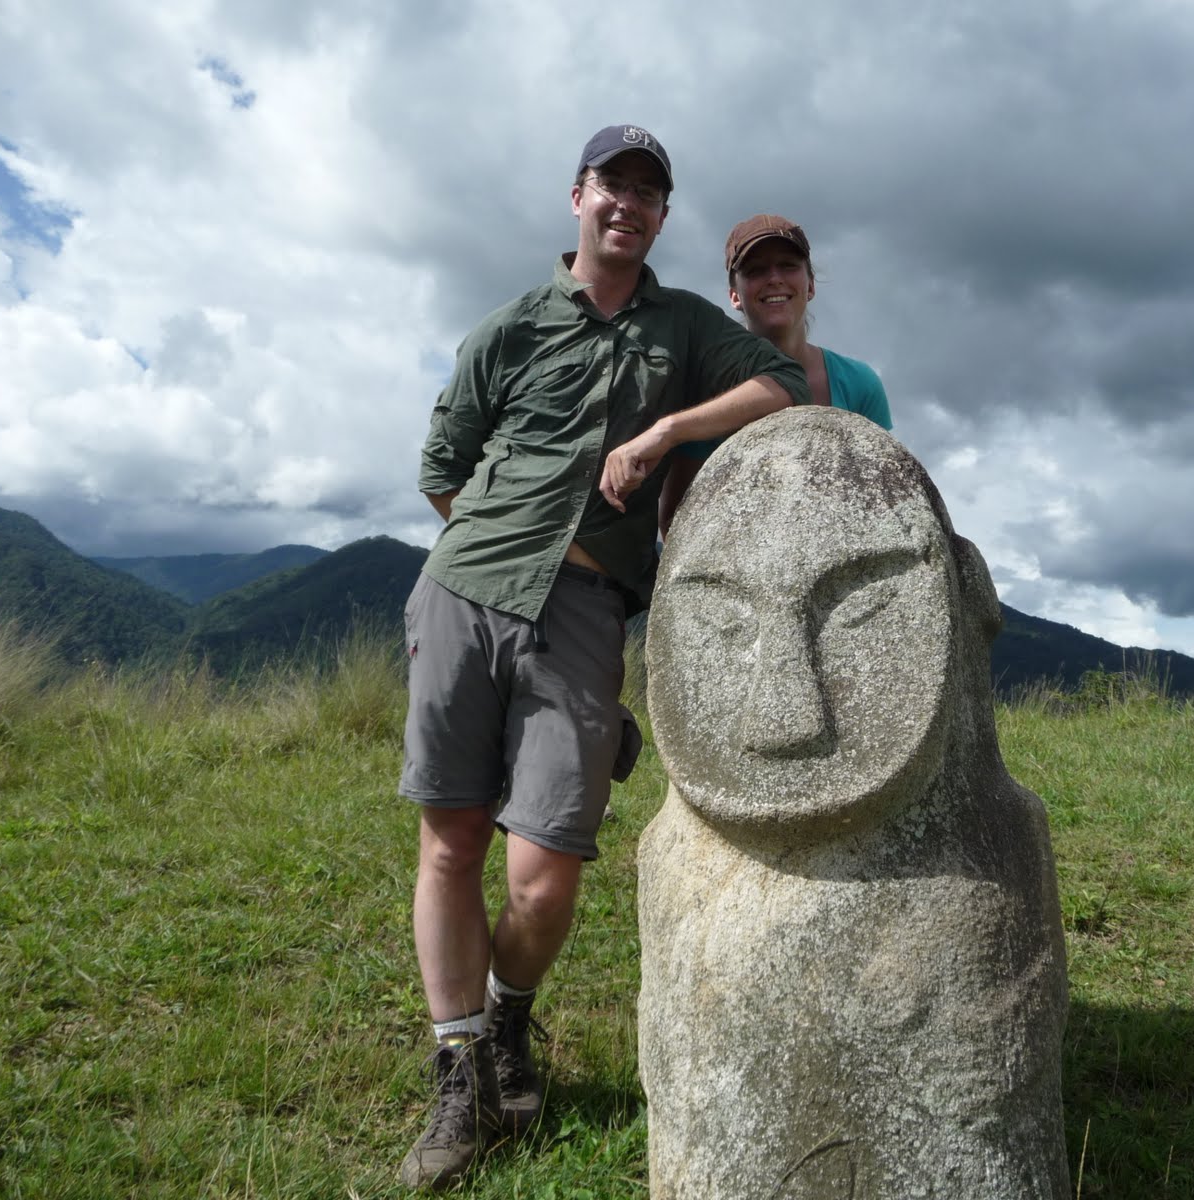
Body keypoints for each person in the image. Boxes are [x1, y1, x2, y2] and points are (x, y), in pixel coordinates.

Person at [397, 125, 809, 1191]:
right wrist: (498, 536)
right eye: (612, 186)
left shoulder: (681, 326)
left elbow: (777, 388)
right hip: (466, 588)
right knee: (450, 840)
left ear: (662, 217)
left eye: (648, 193)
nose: (628, 205)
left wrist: (665, 429)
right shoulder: (511, 325)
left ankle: (508, 1020)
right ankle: (460, 1070)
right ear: (576, 197)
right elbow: (442, 463)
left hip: (586, 609)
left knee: (546, 869)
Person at [658, 213, 892, 535]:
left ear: (810, 285)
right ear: (734, 295)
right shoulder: (708, 397)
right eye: (755, 271)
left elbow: (887, 500)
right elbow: (675, 523)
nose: (774, 278)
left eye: (788, 265)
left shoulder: (859, 384)